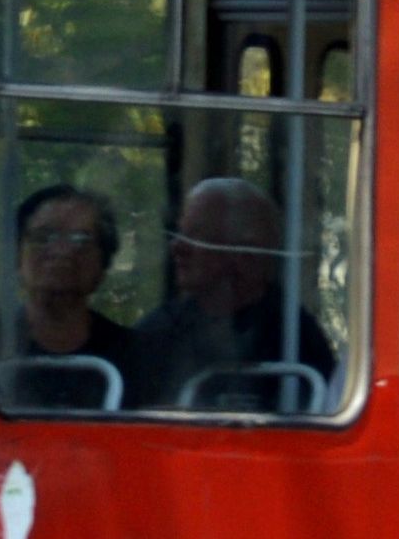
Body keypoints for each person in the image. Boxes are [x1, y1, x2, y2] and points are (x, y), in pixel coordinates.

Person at [135, 173, 339, 412]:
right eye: (179, 234)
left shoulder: (295, 339)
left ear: (245, 251)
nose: (178, 248)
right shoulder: (159, 331)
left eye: (196, 236)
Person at [0, 184, 139, 412]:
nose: (62, 251)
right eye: (43, 237)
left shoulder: (136, 357)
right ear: (16, 256)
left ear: (104, 265)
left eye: (80, 240)